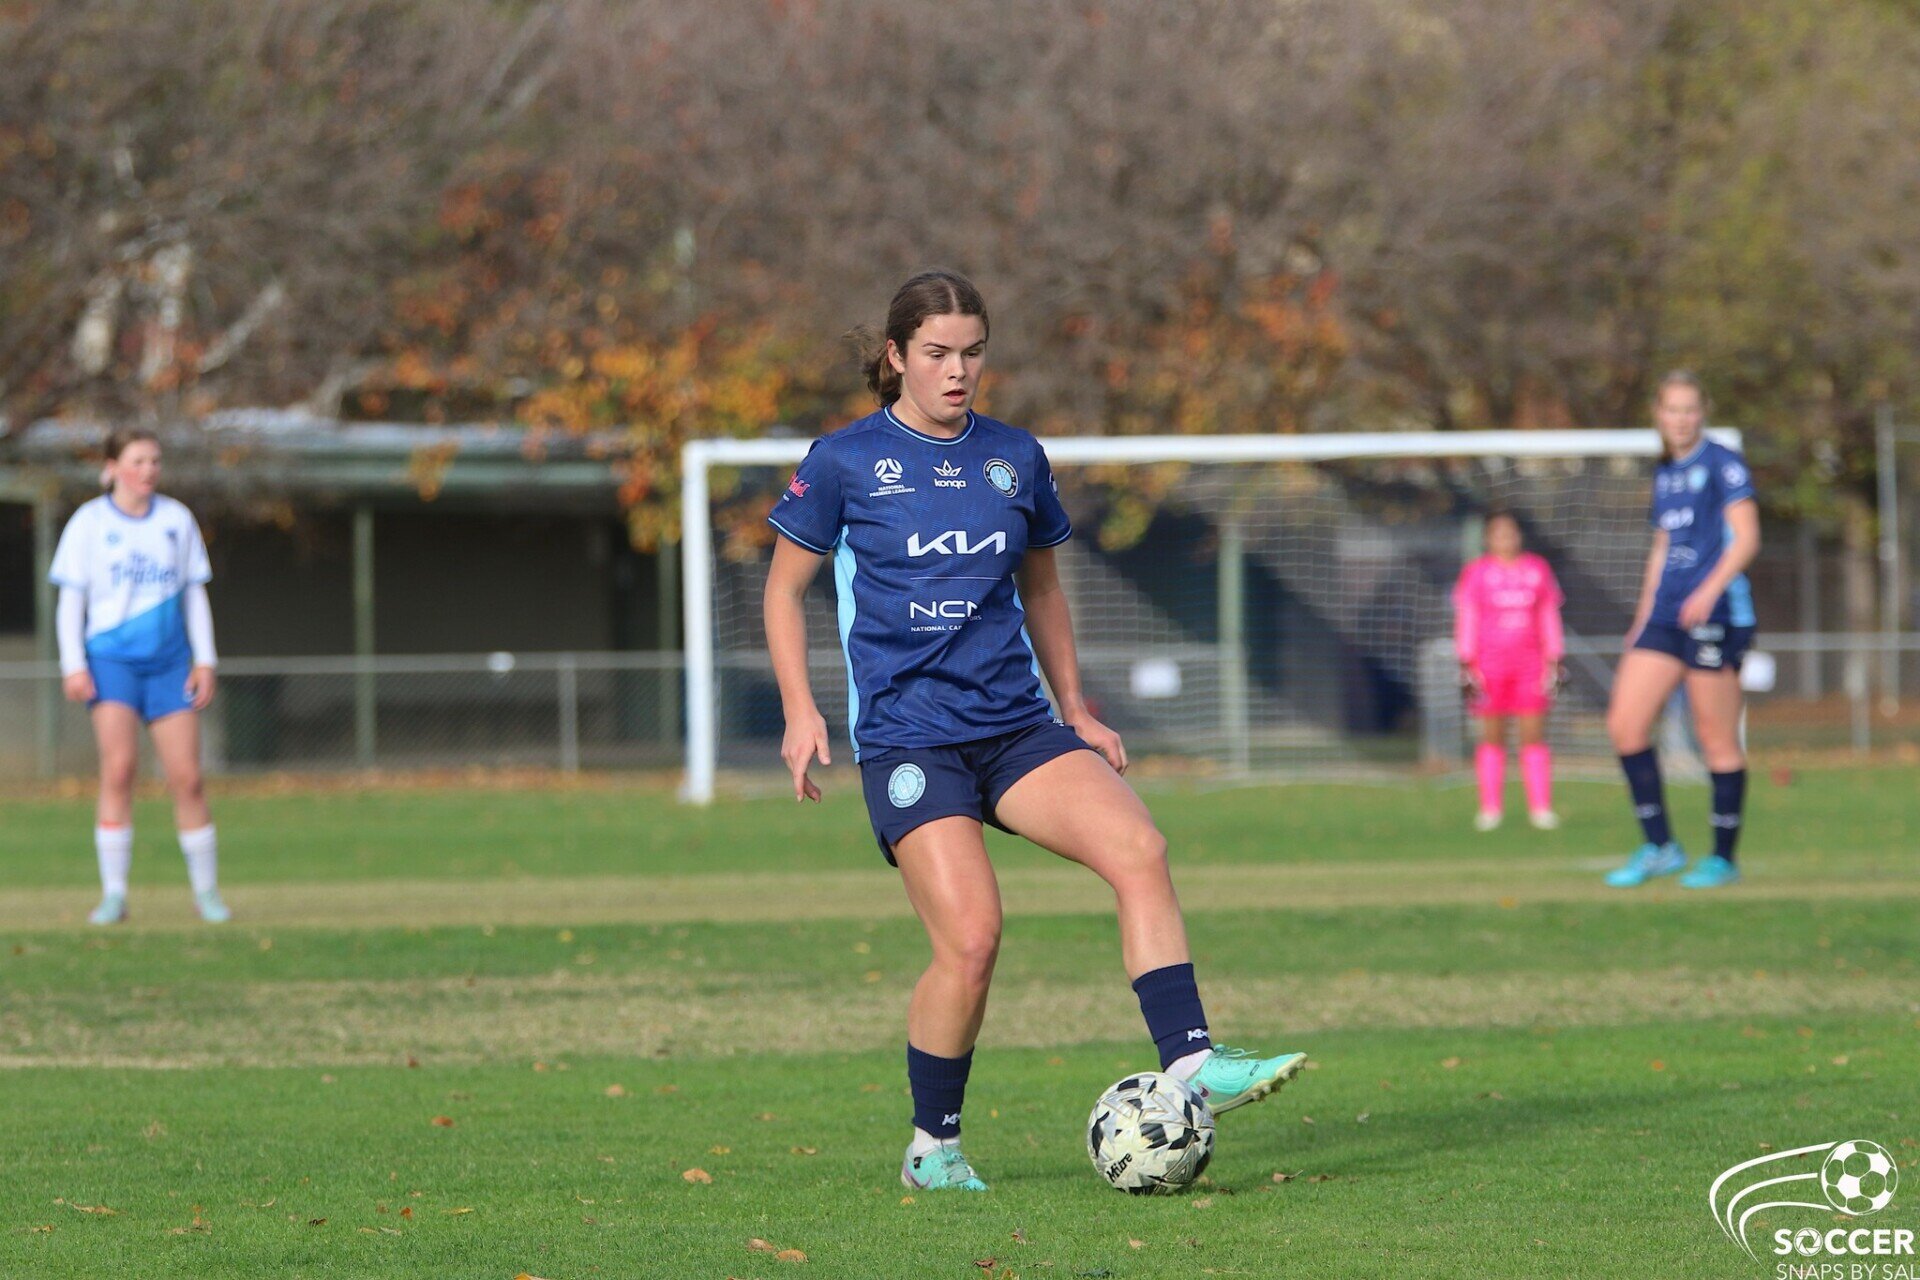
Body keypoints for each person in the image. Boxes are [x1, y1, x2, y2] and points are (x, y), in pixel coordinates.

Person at [763, 270, 1306, 1193]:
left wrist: (1077, 709)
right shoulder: (846, 460)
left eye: (972, 352)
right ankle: (933, 1148)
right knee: (972, 939)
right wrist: (800, 707)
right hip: (910, 739)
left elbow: (1043, 589)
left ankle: (1190, 1060)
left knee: (1140, 847)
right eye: (936, 353)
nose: (957, 370)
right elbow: (783, 590)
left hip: (1015, 727)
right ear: (896, 356)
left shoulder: (1014, 457)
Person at [50, 428, 230, 924]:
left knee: (187, 777)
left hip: (169, 663)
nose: (148, 470)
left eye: (155, 460)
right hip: (111, 660)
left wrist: (205, 660)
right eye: (137, 460)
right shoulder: (89, 523)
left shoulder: (176, 520)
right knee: (120, 769)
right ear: (112, 467)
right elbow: (71, 600)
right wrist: (73, 664)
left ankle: (207, 893)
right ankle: (114, 895)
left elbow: (194, 593)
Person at [1603, 372, 1759, 889]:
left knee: (1715, 737)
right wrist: (1643, 616)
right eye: (1672, 409)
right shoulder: (1666, 472)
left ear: (1703, 411)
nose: (1681, 419)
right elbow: (1663, 547)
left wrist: (1709, 590)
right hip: (1666, 617)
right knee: (1625, 725)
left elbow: (1747, 538)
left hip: (1716, 615)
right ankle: (1660, 847)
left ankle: (1722, 859)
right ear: (1658, 413)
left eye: (1690, 409)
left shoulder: (1723, 463)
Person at [1452, 512, 1565, 831]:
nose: (1505, 539)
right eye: (1498, 533)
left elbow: (1548, 615)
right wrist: (1466, 660)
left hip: (1531, 665)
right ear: (1488, 538)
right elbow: (1468, 616)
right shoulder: (1476, 572)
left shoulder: (1537, 569)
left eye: (1510, 532)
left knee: (1533, 734)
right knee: (1492, 735)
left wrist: (1555, 657)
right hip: (1489, 666)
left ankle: (1540, 808)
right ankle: (1490, 808)